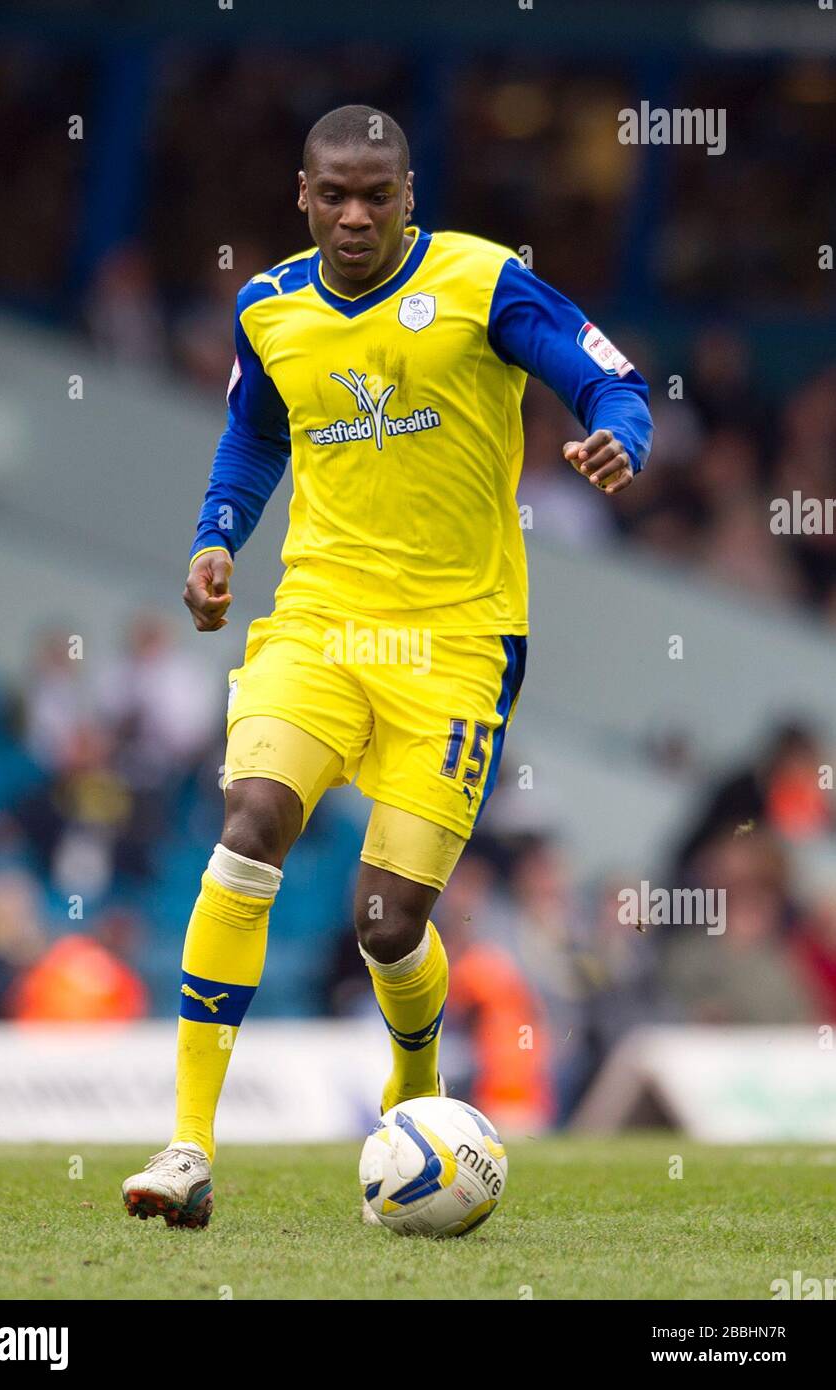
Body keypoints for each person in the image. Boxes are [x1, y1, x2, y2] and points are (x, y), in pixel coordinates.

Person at [122, 104, 652, 1229]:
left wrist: (623, 435)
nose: (355, 214)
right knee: (251, 822)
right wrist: (217, 533)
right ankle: (188, 1146)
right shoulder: (268, 306)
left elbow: (609, 377)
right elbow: (256, 432)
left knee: (385, 925)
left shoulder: (481, 282)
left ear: (411, 194)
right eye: (334, 194)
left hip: (457, 644)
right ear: (302, 198)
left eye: (378, 194)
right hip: (318, 623)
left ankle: (414, 1080)